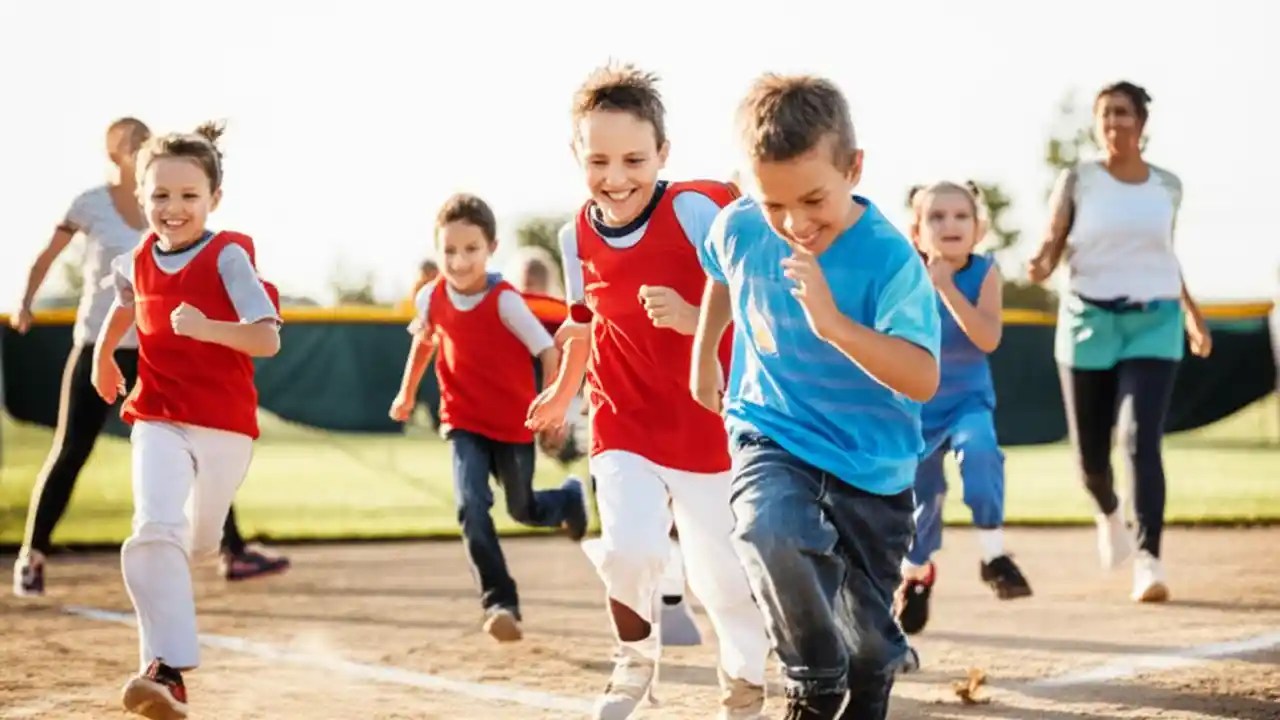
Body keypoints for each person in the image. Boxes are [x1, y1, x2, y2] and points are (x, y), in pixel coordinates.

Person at [691, 73, 941, 720]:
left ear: (853, 168)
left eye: (812, 200)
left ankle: (871, 664)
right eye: (773, 204)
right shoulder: (741, 225)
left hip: (871, 466)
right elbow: (723, 271)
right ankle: (811, 681)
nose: (794, 223)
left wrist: (834, 324)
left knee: (866, 647)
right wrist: (703, 359)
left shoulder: (890, 259)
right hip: (772, 430)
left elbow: (921, 377)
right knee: (766, 527)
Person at [526, 62, 770, 720]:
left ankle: (744, 676)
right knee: (629, 548)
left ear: (664, 154)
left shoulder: (696, 207)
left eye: (635, 158)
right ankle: (634, 661)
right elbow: (581, 326)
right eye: (598, 159)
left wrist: (694, 320)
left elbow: (756, 300)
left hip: (706, 422)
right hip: (622, 418)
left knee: (720, 577)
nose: (616, 177)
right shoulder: (574, 231)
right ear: (576, 156)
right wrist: (559, 392)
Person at [10, 118, 285, 599]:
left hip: (164, 347)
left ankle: (227, 549)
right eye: (132, 142)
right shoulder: (94, 204)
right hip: (103, 342)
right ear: (116, 155)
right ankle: (32, 555)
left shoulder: (177, 198)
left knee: (199, 440)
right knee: (73, 447)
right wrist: (27, 299)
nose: (142, 145)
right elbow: (51, 257)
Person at [91, 122, 283, 719]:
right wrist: (102, 358)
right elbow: (125, 308)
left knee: (198, 542)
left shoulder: (228, 256)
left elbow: (265, 340)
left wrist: (206, 329)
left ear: (213, 200)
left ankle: (191, 577)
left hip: (224, 427)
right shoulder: (136, 259)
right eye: (160, 196)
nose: (173, 208)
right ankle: (165, 671)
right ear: (142, 198)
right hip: (157, 416)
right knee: (152, 529)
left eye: (188, 196)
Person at [1027, 81, 1212, 603]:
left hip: (1154, 323)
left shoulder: (1167, 187)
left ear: (1142, 123)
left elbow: (1164, 256)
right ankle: (1108, 511)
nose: (1114, 123)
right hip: (1088, 323)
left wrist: (1193, 315)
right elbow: (1051, 240)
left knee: (1139, 437)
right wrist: (1039, 263)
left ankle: (1149, 559)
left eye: (1123, 114)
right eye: (1105, 114)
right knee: (1090, 459)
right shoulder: (1078, 180)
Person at [389, 193, 588, 643]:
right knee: (471, 506)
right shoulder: (430, 298)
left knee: (523, 509)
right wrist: (405, 394)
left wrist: (555, 406)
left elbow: (548, 350)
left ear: (492, 248)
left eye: (471, 250)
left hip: (513, 424)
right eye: (449, 251)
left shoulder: (505, 301)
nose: (459, 262)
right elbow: (423, 344)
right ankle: (500, 602)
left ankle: (567, 500)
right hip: (462, 421)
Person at [894, 181, 1032, 636]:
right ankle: (917, 573)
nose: (949, 225)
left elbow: (988, 339)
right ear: (916, 231)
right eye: (936, 217)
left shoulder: (985, 272)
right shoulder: (903, 271)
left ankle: (993, 555)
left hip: (968, 402)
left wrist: (948, 288)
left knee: (981, 450)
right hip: (916, 406)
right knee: (923, 503)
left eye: (960, 216)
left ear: (979, 229)